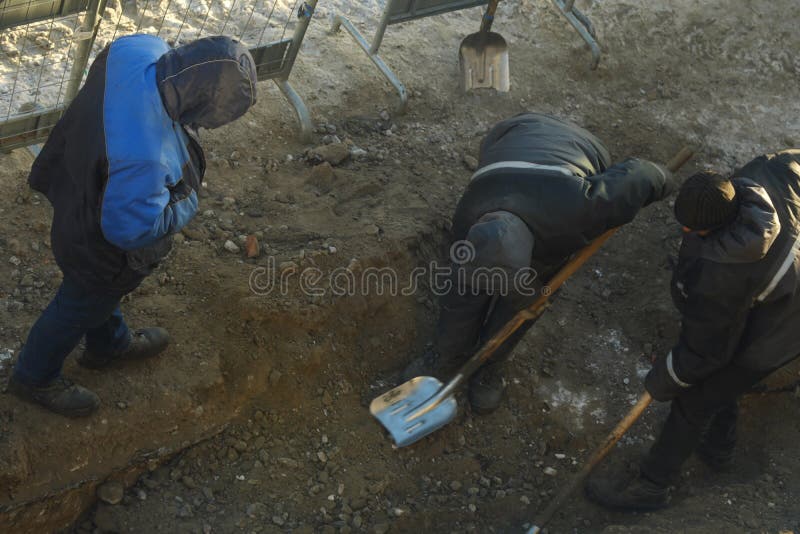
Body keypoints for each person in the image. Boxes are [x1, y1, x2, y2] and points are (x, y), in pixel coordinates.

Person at [6, 34, 258, 417]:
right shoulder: (145, 157)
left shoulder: (138, 50)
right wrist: (185, 204)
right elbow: (129, 230)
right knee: (77, 304)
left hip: (75, 185)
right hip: (98, 244)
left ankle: (109, 344)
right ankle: (34, 376)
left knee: (96, 298)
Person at [402, 112, 674, 414]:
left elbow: (641, 174)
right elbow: (460, 293)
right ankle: (445, 354)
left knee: (520, 309)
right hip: (512, 132)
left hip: (581, 150)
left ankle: (490, 364)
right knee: (465, 288)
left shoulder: (579, 210)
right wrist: (447, 347)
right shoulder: (467, 219)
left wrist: (664, 179)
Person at [586, 150, 800, 510]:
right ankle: (718, 449)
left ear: (716, 226)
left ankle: (653, 486)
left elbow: (707, 352)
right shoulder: (769, 172)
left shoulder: (723, 275)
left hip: (782, 328)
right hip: (779, 286)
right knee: (719, 381)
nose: (685, 231)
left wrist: (664, 379)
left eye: (692, 229)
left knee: (696, 398)